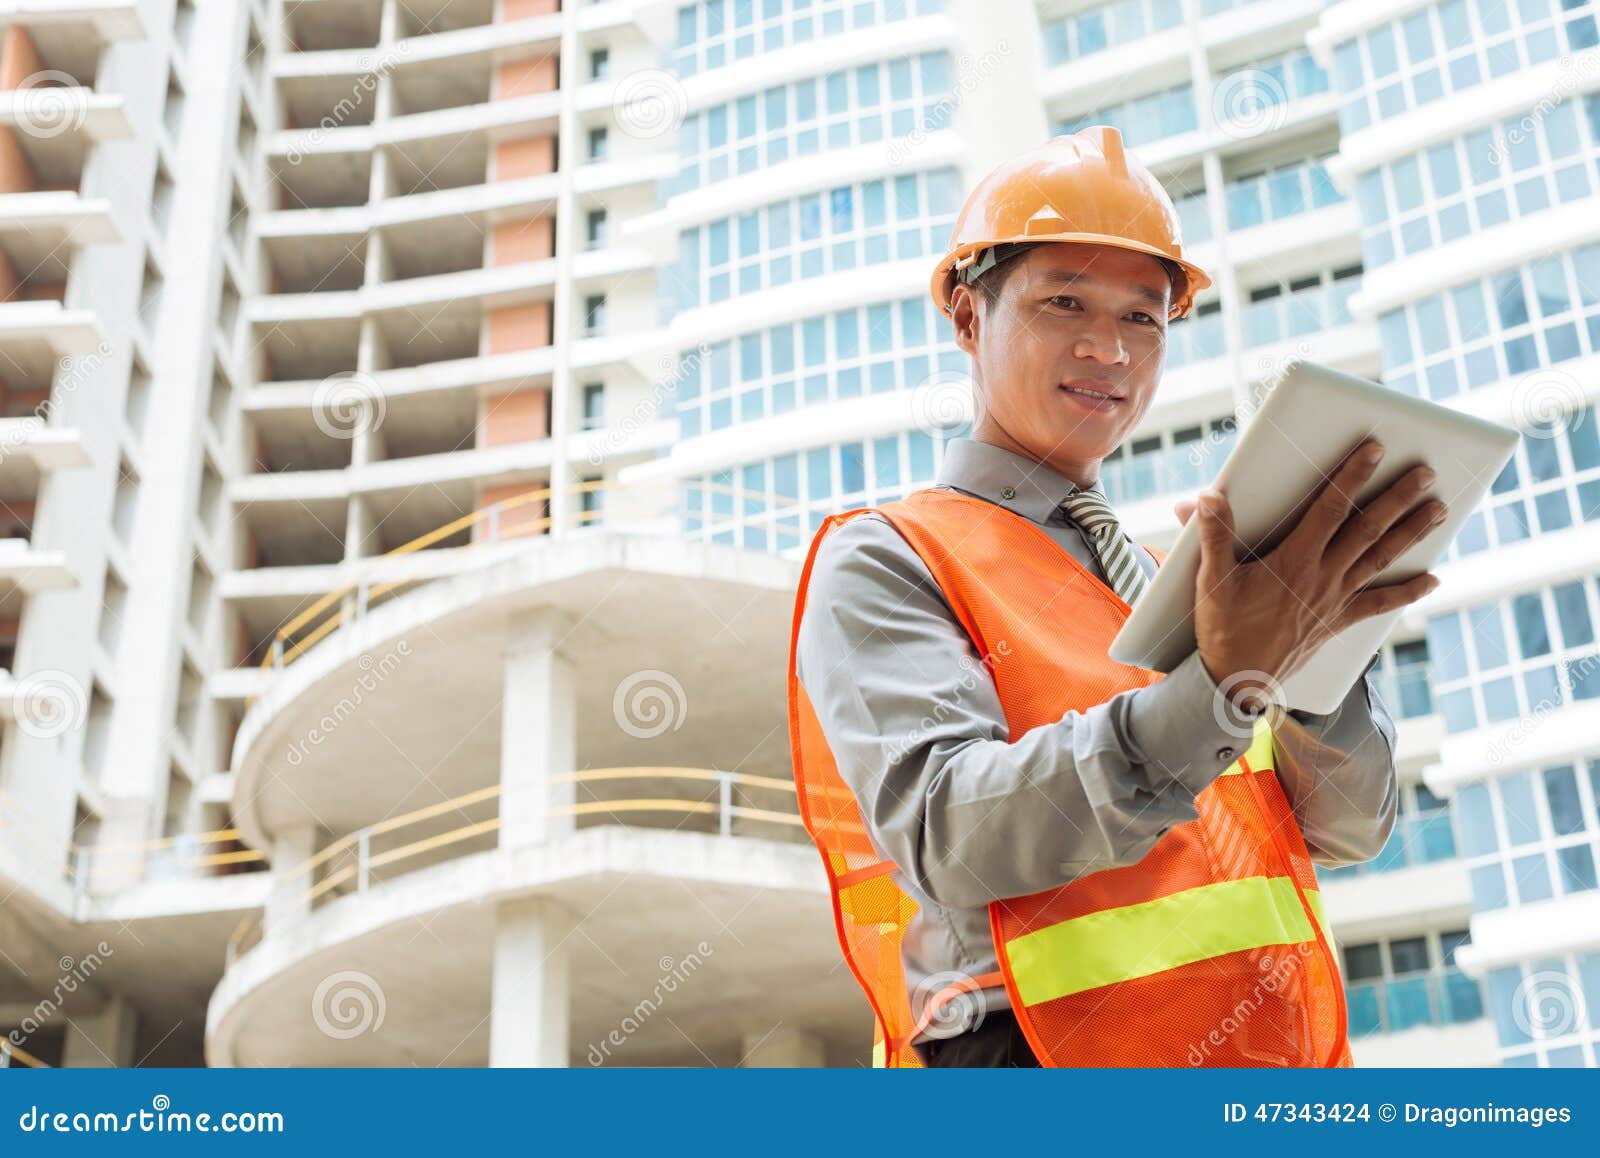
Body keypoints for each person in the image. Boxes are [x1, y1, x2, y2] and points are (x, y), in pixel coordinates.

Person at [787, 125, 1445, 1068]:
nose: (1112, 349)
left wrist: (1316, 651)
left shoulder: (1180, 579)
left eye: (1145, 317)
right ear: (970, 319)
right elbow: (951, 834)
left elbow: (1346, 827)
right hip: (1031, 1061)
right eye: (1065, 302)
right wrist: (1221, 679)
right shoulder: (892, 556)